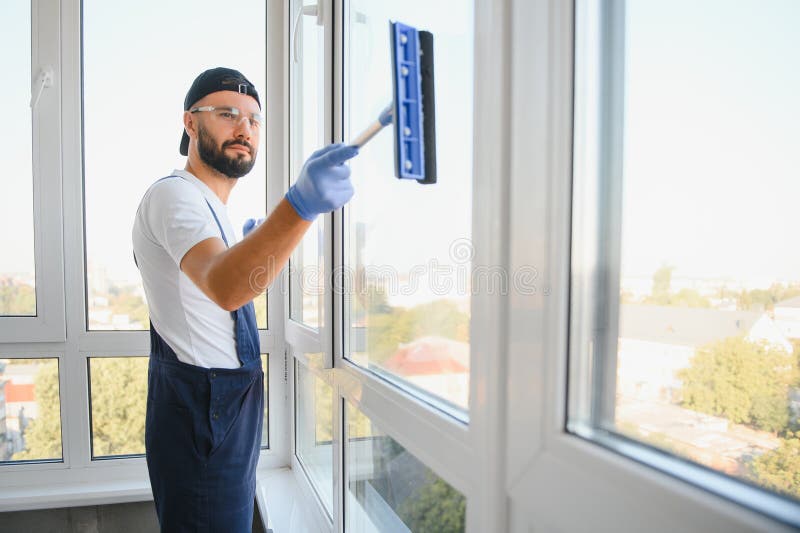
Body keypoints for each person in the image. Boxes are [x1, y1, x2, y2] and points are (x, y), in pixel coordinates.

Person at [132, 67, 358, 532]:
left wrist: (249, 250)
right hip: (202, 413)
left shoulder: (210, 208)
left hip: (221, 408)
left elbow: (224, 292)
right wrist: (299, 207)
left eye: (254, 120)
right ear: (190, 124)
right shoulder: (176, 197)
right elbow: (228, 286)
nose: (244, 128)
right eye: (227, 114)